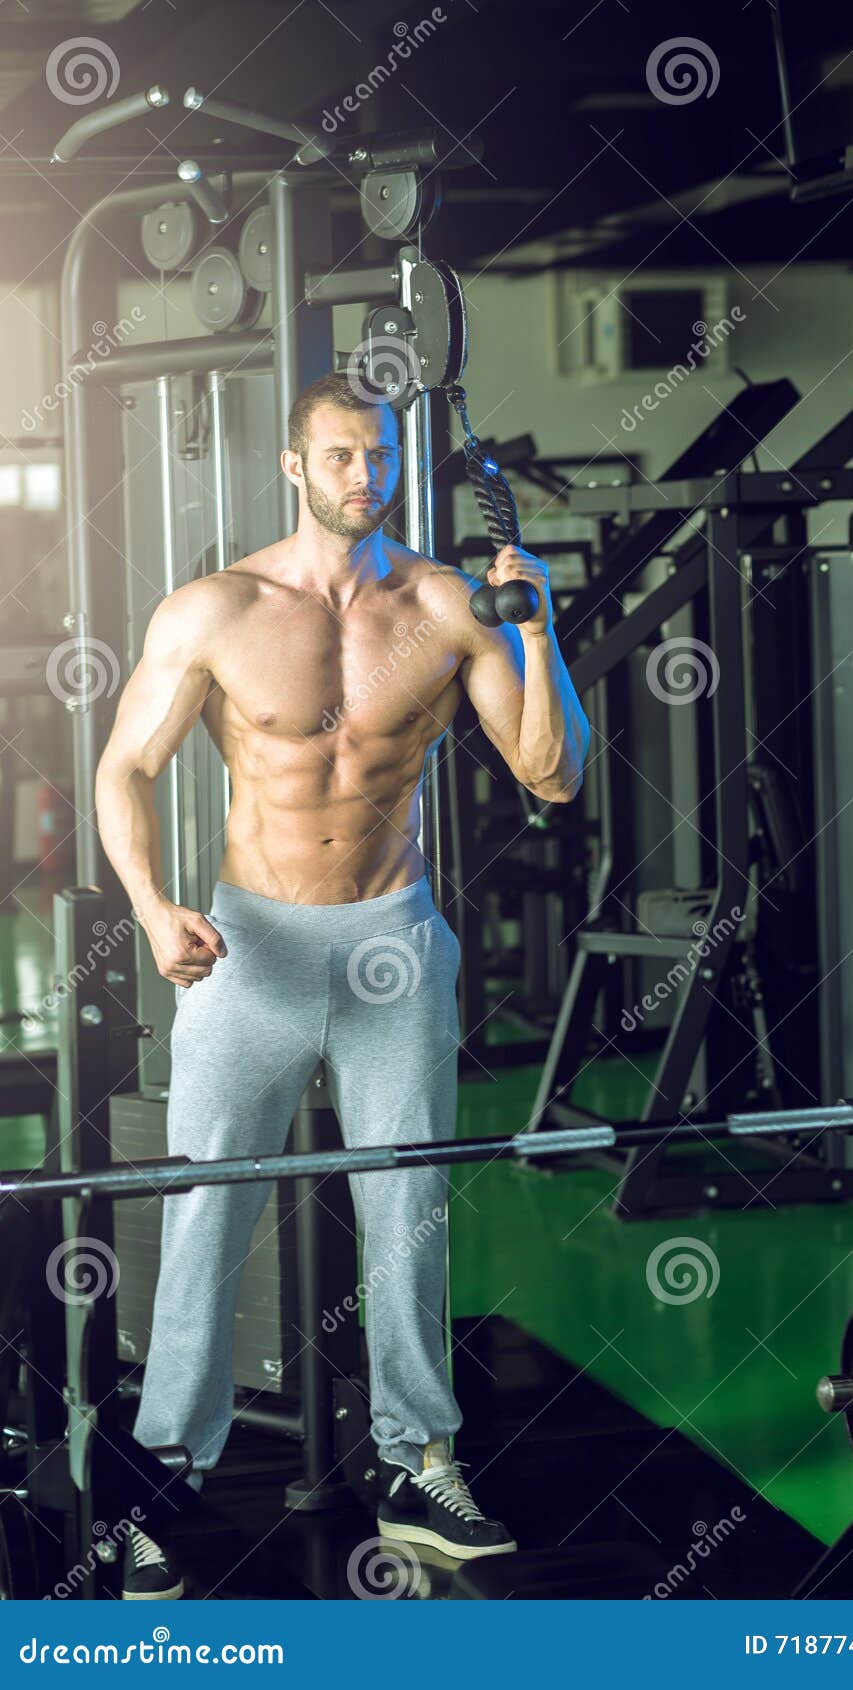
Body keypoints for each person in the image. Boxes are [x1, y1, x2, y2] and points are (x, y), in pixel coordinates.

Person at [95, 372, 590, 1598]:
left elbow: (553, 773)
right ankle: (162, 1475)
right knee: (206, 1207)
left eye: (378, 456)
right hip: (248, 947)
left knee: (407, 1210)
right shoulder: (216, 609)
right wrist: (156, 913)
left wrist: (536, 626)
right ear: (293, 466)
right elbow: (125, 768)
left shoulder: (444, 600)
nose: (363, 474)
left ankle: (421, 1460)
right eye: (340, 456)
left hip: (392, 944)